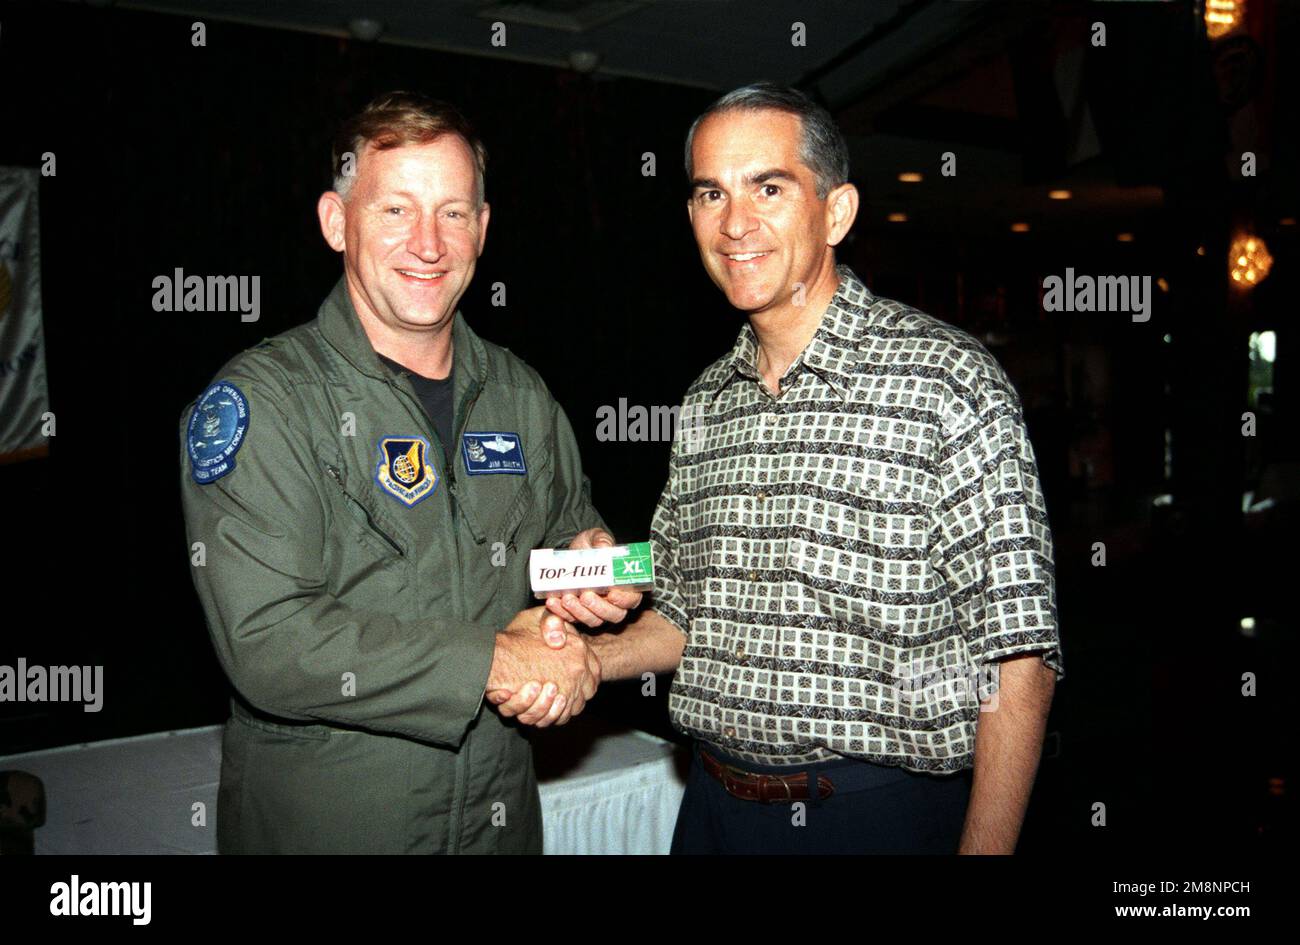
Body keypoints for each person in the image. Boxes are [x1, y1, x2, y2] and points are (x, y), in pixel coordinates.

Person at [512, 82, 1065, 854]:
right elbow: (686, 617)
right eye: (711, 193)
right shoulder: (707, 401)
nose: (735, 222)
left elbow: (1020, 657)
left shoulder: (946, 380)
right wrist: (580, 657)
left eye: (768, 187)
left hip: (873, 818)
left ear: (837, 212)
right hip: (710, 809)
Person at [178, 91, 637, 854]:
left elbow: (565, 537)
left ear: (482, 229)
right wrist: (491, 662)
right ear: (336, 222)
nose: (428, 243)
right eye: (395, 210)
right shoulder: (267, 402)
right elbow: (268, 642)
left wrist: (587, 568)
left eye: (452, 213)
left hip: (498, 824)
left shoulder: (521, 396)